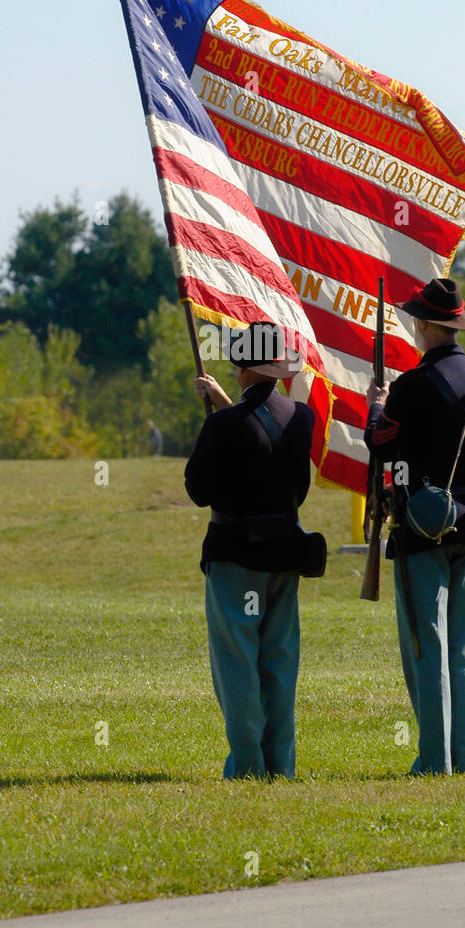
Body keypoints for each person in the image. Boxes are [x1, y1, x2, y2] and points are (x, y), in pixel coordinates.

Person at [365, 278, 465, 776]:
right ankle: (464, 761)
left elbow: (380, 442)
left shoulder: (412, 386)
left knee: (428, 647)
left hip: (423, 527)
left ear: (424, 325)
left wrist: (377, 402)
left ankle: (433, 761)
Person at [184, 322, 315, 780]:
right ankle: (281, 765)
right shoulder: (302, 418)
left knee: (237, 666)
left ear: (241, 369)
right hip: (285, 553)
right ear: (278, 369)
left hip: (234, 556)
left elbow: (198, 491)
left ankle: (247, 767)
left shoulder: (223, 425)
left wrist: (216, 425)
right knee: (279, 663)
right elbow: (296, 488)